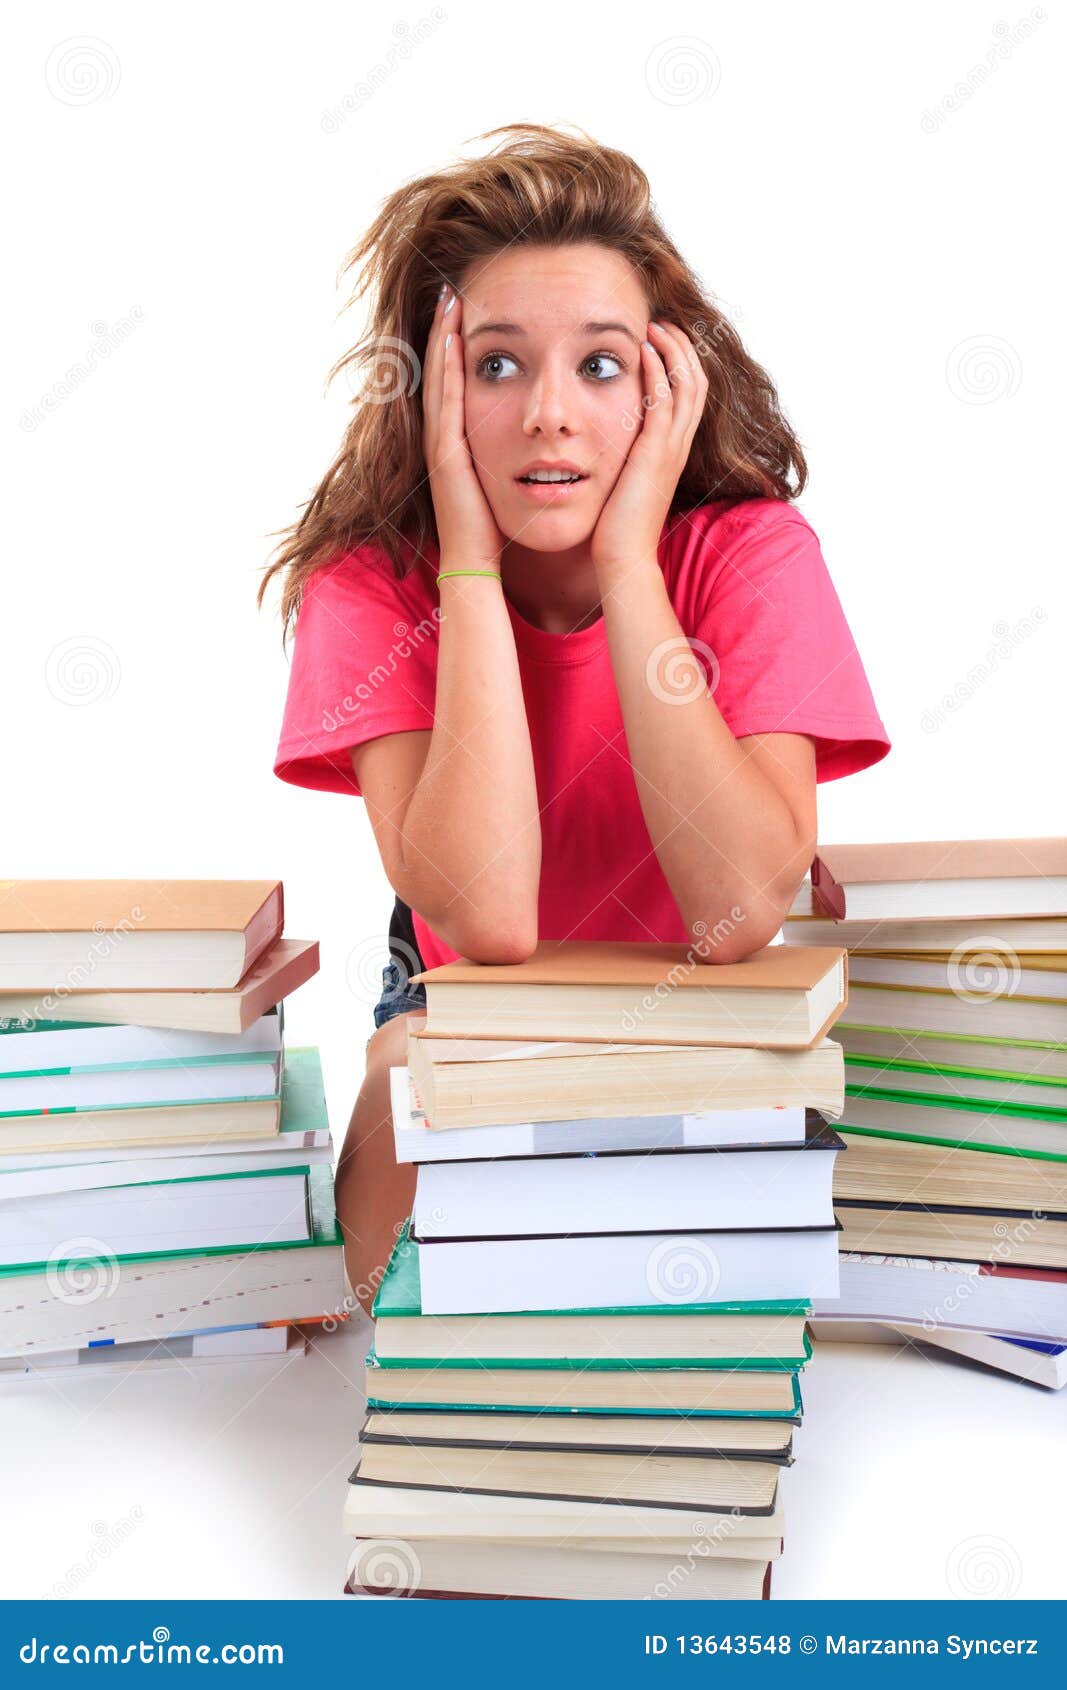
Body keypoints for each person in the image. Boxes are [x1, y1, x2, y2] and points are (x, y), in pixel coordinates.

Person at [259, 123, 891, 1309]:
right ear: (431, 388)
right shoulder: (369, 586)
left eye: (598, 365)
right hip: (461, 1004)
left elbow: (737, 914)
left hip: (702, 1005)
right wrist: (467, 560)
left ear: (665, 383)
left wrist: (627, 566)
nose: (548, 413)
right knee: (353, 1290)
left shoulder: (749, 556)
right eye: (496, 365)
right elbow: (489, 921)